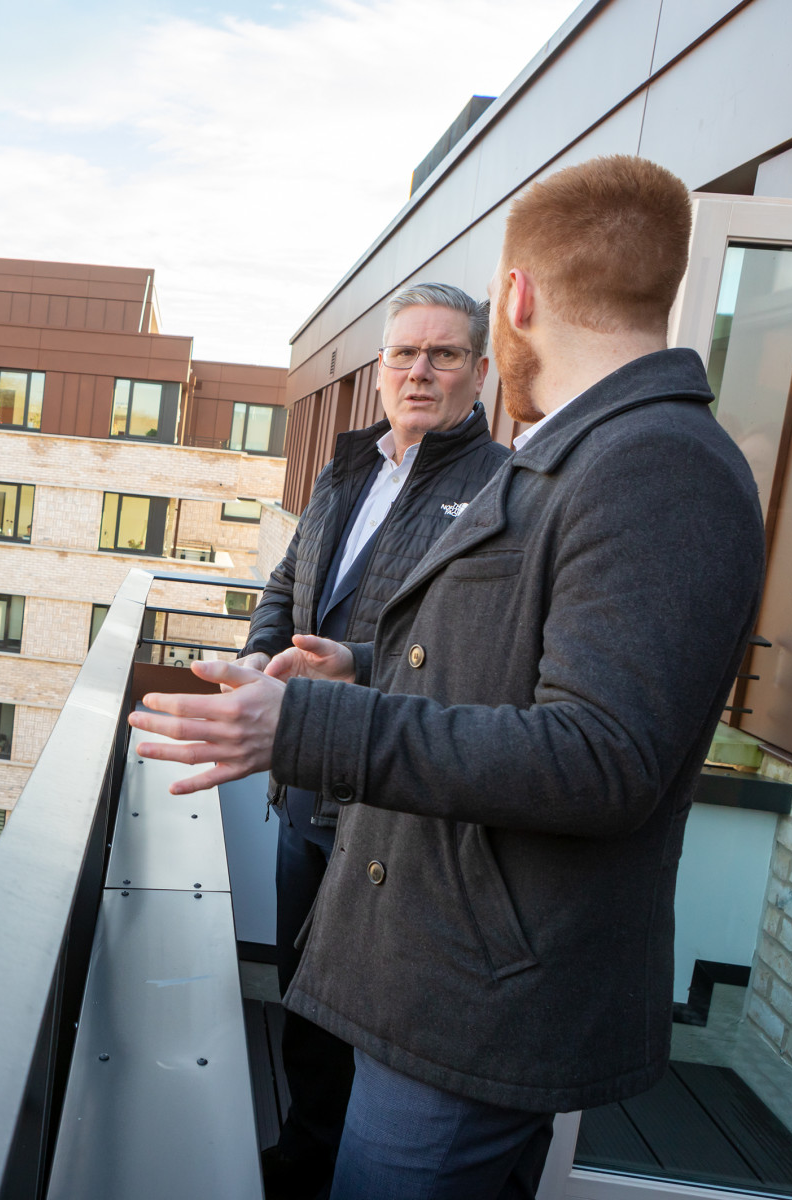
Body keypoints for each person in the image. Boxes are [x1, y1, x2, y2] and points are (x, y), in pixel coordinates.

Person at [130, 154, 765, 1198]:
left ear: (514, 299)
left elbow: (603, 756)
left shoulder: (655, 467)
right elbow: (517, 667)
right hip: (450, 967)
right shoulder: (588, 452)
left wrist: (306, 728)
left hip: (477, 995)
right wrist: (363, 665)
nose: (421, 372)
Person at [238, 282, 508, 1197]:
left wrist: (348, 661)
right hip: (301, 779)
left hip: (388, 795)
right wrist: (257, 659)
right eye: (404, 354)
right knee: (302, 994)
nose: (419, 371)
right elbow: (287, 582)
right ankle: (308, 1155)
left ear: (480, 370)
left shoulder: (497, 488)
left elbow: (465, 657)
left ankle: (347, 1160)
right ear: (379, 370)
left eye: (443, 355)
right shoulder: (346, 470)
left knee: (365, 1010)